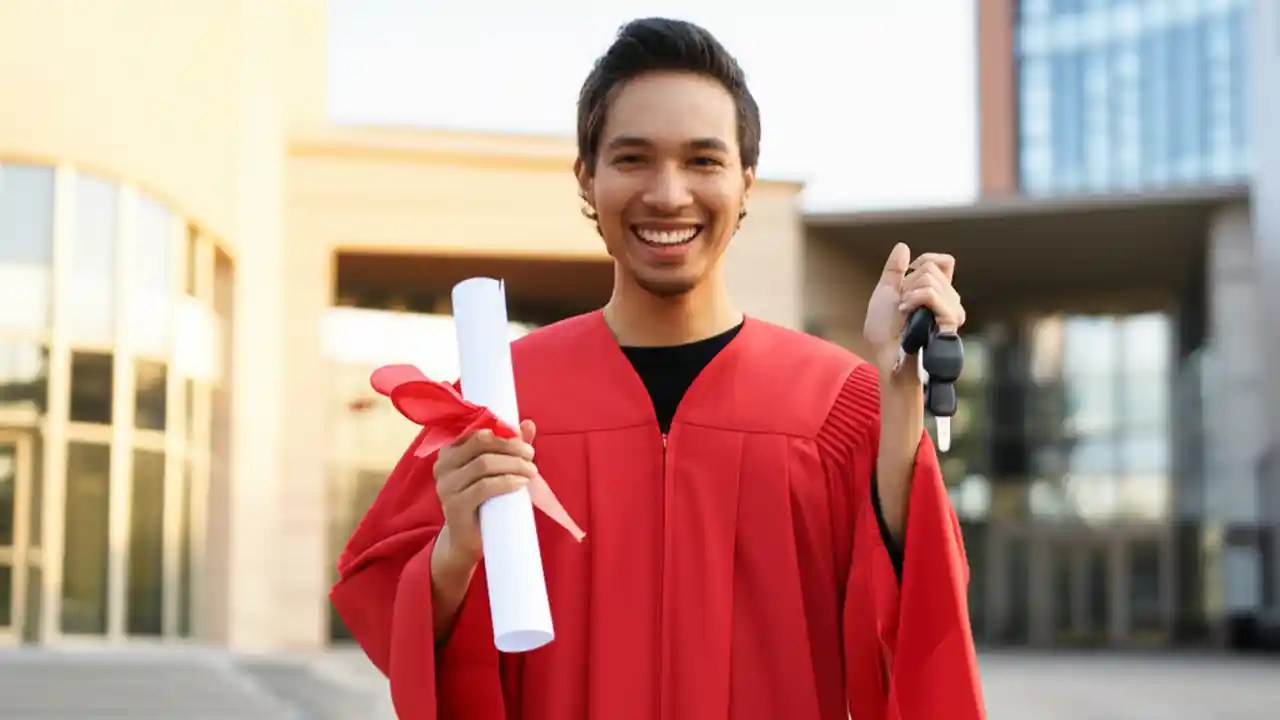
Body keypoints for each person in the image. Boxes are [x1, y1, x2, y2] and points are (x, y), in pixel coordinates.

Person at [331, 17, 985, 720]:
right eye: (633, 158)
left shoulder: (839, 403)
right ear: (587, 179)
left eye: (703, 161)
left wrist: (899, 390)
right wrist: (456, 549)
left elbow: (917, 626)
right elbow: (380, 603)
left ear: (746, 185)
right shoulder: (496, 400)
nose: (669, 194)